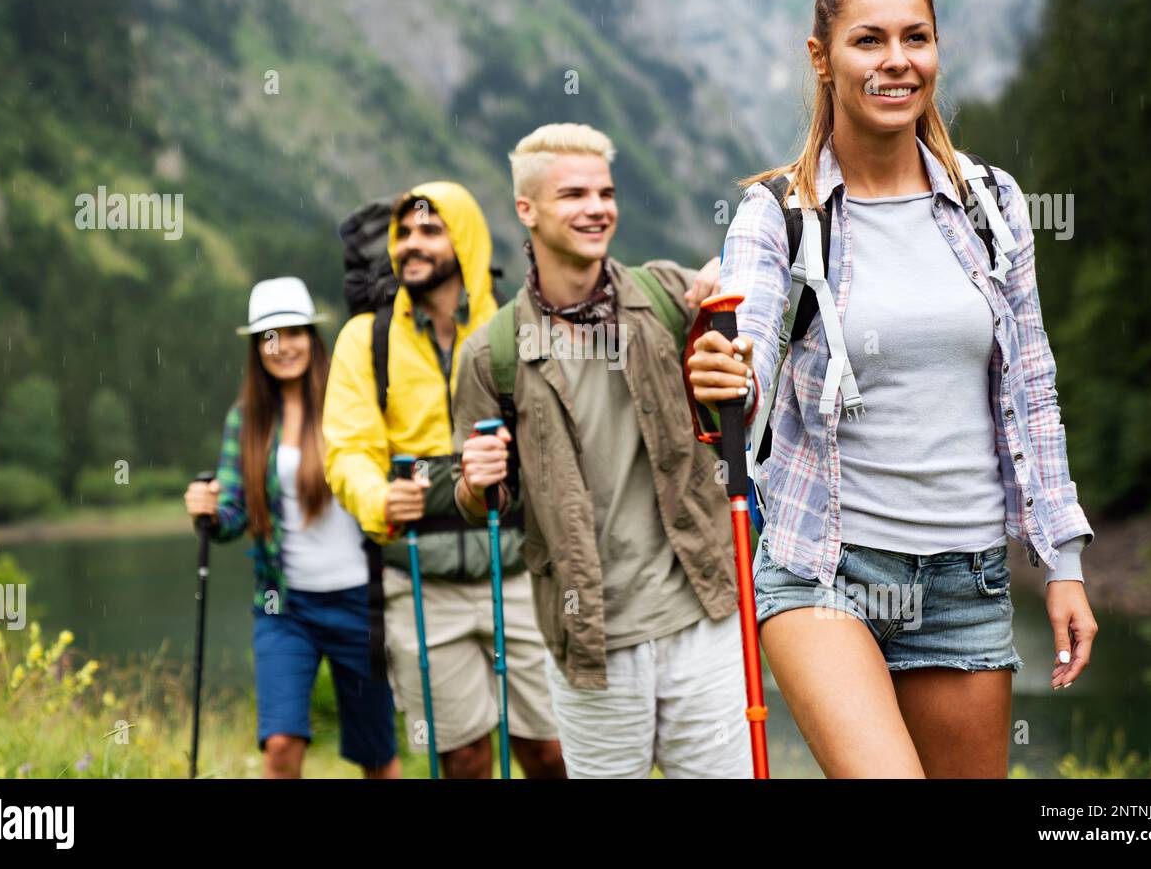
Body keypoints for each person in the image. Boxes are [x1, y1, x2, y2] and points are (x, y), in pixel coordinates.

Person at [688, 0, 1097, 778]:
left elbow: (1032, 387)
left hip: (969, 579)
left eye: (916, 38)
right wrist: (727, 376)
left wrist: (1063, 563)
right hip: (824, 566)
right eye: (868, 40)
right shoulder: (777, 216)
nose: (896, 61)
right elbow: (750, 354)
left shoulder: (993, 206)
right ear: (822, 57)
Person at [452, 122, 750, 779]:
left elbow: (743, 409)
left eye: (606, 191)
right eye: (574, 193)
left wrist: (734, 313)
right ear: (526, 210)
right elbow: (481, 502)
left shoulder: (674, 298)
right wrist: (475, 484)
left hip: (703, 620)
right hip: (590, 643)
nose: (597, 207)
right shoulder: (490, 354)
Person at [323, 181, 565, 779]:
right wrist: (378, 497)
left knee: (552, 750)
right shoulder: (365, 339)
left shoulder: (516, 327)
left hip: (521, 574)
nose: (411, 244)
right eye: (403, 233)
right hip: (418, 580)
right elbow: (346, 449)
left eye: (430, 231)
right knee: (460, 758)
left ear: (464, 241)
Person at [183, 276, 399, 779]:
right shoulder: (246, 420)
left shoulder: (350, 403)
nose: (284, 347)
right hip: (284, 606)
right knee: (280, 745)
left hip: (360, 601)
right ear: (257, 349)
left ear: (312, 337)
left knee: (378, 756)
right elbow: (233, 515)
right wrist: (210, 511)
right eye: (270, 337)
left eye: (294, 332)